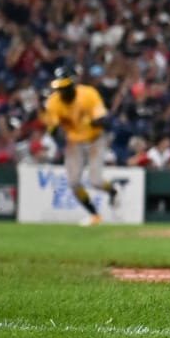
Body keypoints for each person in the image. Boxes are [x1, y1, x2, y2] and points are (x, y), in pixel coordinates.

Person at [40, 73, 118, 226]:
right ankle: (95, 215)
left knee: (95, 181)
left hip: (95, 139)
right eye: (59, 89)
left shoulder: (88, 94)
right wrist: (60, 140)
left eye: (64, 88)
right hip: (74, 142)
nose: (61, 92)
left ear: (71, 86)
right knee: (73, 183)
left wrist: (92, 122)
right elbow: (53, 129)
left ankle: (112, 191)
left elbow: (104, 121)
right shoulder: (54, 102)